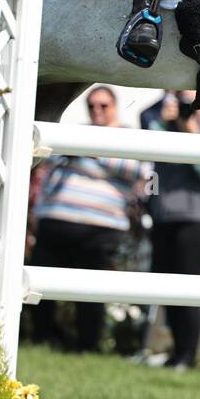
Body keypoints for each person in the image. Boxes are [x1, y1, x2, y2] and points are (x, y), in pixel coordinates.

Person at [29, 86, 148, 351]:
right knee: (39, 286)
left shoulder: (130, 136)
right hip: (55, 221)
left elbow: (138, 170)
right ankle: (44, 339)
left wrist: (89, 151)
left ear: (114, 107)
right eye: (92, 105)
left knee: (90, 293)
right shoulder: (78, 131)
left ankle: (87, 346)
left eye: (103, 106)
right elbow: (51, 164)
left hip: (100, 228)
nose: (97, 110)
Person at [146, 90, 200, 369]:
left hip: (196, 223)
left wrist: (190, 131)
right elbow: (145, 121)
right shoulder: (162, 127)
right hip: (164, 220)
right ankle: (175, 352)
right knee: (166, 290)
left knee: (188, 292)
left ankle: (187, 357)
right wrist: (165, 99)